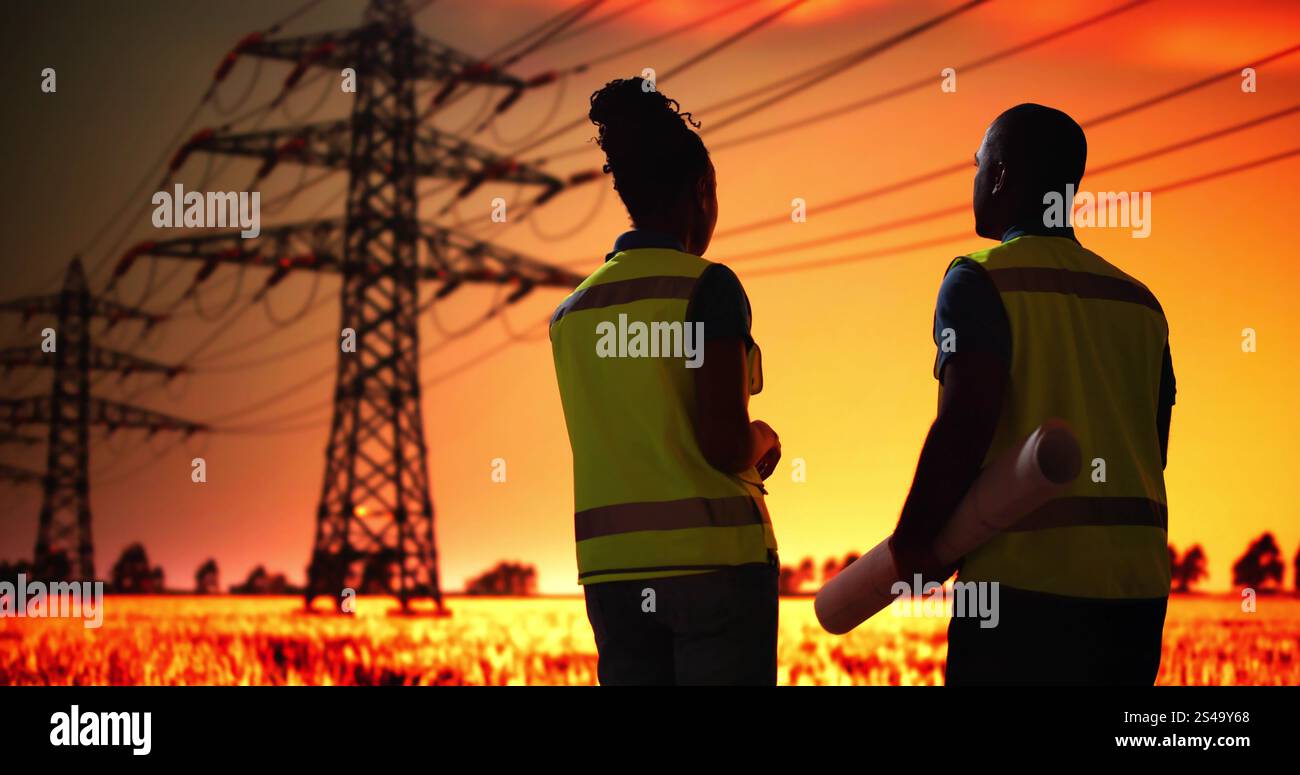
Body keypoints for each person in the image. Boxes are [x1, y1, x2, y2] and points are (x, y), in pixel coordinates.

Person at [890, 103, 1176, 685]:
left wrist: (914, 542)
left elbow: (966, 421)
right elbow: (1154, 446)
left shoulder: (979, 278)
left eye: (978, 166)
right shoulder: (1140, 303)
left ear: (998, 176)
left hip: (1020, 597)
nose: (974, 181)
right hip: (1134, 598)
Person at [549, 77, 781, 685]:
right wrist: (764, 439)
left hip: (612, 578)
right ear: (701, 192)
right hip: (715, 568)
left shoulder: (572, 315)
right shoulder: (708, 287)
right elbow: (724, 445)